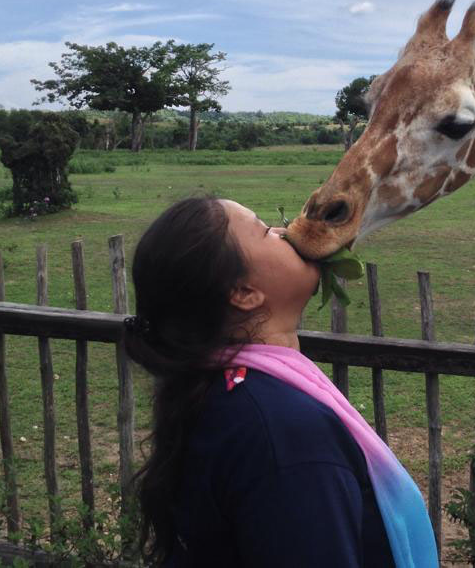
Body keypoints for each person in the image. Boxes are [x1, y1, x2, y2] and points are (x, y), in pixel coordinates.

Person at [124, 195, 437, 567]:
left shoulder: (224, 395)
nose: (285, 232)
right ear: (243, 293)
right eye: (265, 231)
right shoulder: (284, 434)